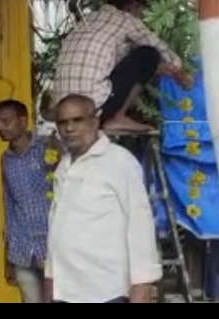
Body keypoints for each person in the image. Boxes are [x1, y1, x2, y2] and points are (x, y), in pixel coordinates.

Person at [44, 94, 161, 304]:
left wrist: (141, 288)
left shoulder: (119, 161)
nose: (69, 128)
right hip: (67, 290)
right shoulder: (64, 165)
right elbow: (57, 227)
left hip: (107, 291)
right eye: (63, 122)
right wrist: (50, 282)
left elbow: (140, 225)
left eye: (77, 120)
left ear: (95, 121)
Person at [52, 0, 188, 134]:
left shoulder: (88, 20)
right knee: (149, 54)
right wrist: (181, 74)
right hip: (93, 111)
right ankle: (118, 117)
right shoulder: (126, 20)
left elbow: (110, 64)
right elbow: (159, 48)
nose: (141, 14)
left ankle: (113, 116)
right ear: (131, 6)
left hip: (64, 112)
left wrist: (161, 69)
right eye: (140, 9)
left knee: (141, 58)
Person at [0, 99, 52, 303]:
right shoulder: (5, 159)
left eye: (6, 121)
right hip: (22, 248)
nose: (1, 127)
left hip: (52, 245)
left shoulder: (48, 149)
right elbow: (8, 204)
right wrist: (8, 255)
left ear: (23, 120)